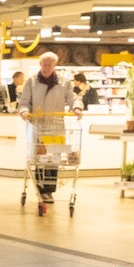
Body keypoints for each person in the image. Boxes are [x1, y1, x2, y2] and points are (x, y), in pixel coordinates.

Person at [18, 52, 83, 204]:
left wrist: (77, 107)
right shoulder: (31, 82)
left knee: (54, 159)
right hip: (38, 126)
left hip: (56, 127)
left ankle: (50, 190)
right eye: (44, 64)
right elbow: (24, 101)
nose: (46, 68)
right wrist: (24, 111)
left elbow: (72, 98)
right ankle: (41, 190)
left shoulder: (64, 82)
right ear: (40, 65)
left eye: (49, 65)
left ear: (54, 66)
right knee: (40, 159)